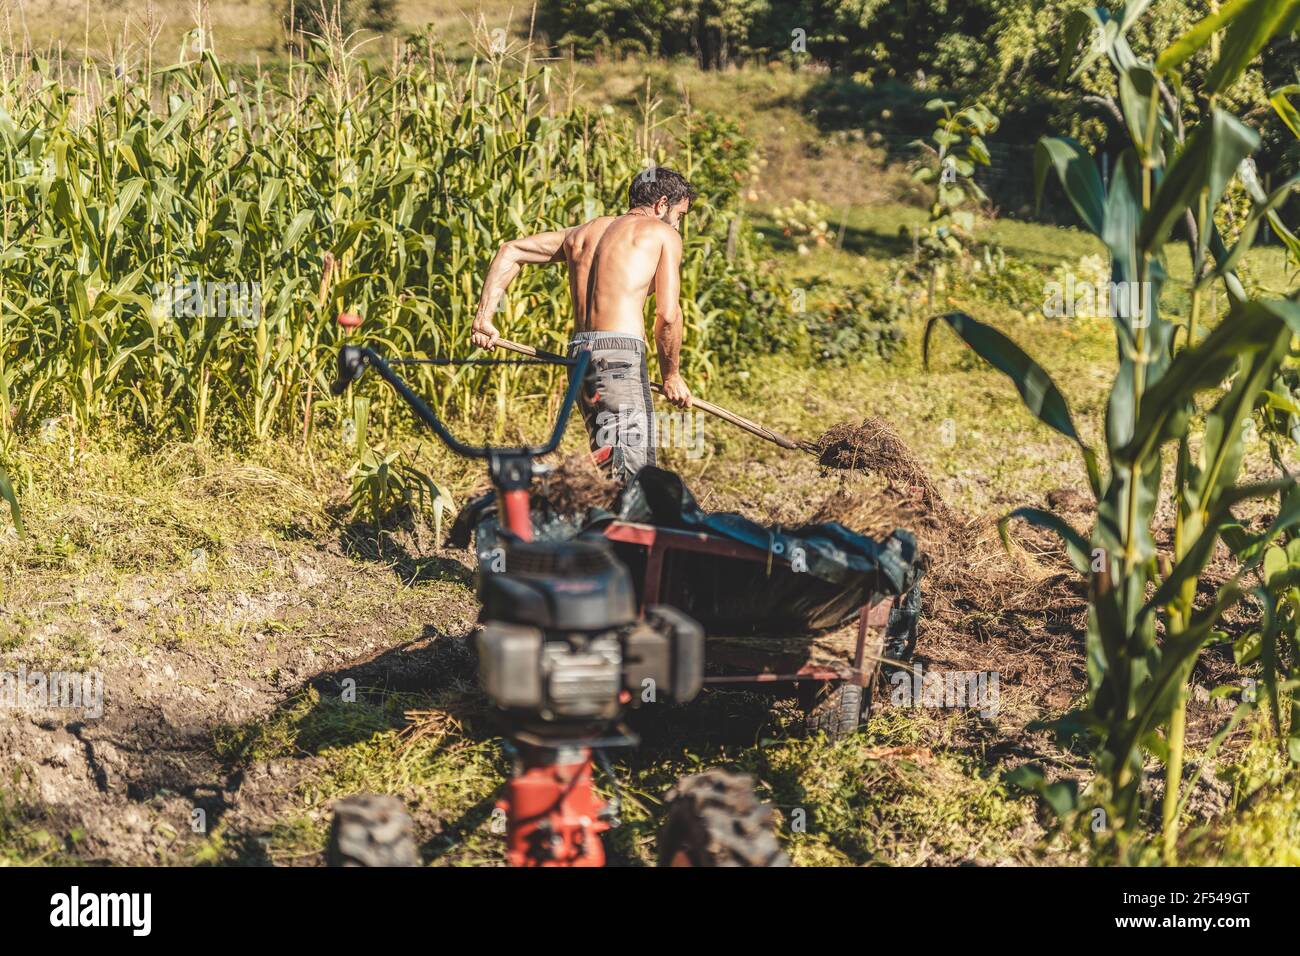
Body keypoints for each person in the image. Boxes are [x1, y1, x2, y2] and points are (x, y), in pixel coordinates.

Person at [471, 167, 696, 483]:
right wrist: (671, 375)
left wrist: (484, 319)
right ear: (661, 205)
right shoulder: (662, 234)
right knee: (634, 476)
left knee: (609, 465)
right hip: (619, 357)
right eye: (679, 215)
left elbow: (512, 250)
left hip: (580, 356)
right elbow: (668, 315)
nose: (678, 224)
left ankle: (594, 524)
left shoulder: (584, 232)